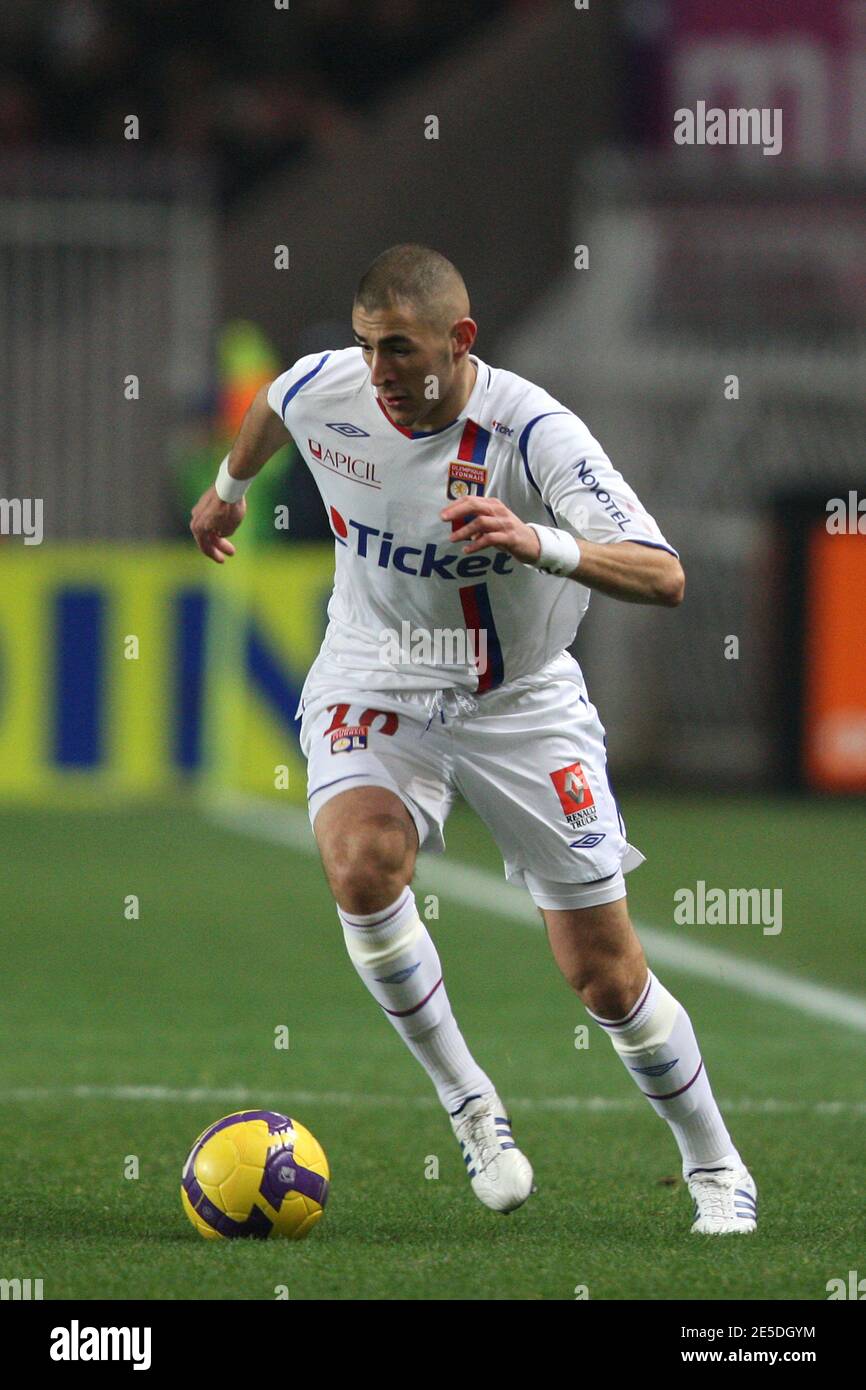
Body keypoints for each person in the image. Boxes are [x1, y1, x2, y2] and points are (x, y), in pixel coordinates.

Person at [190, 244, 757, 1234]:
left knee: (606, 976)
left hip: (521, 706)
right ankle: (467, 1103)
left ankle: (714, 1166)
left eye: (400, 351)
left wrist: (537, 539)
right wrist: (230, 487)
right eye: (368, 349)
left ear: (460, 341)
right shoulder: (333, 388)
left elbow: (662, 574)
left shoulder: (533, 433)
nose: (379, 374)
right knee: (362, 866)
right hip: (376, 677)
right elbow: (277, 399)